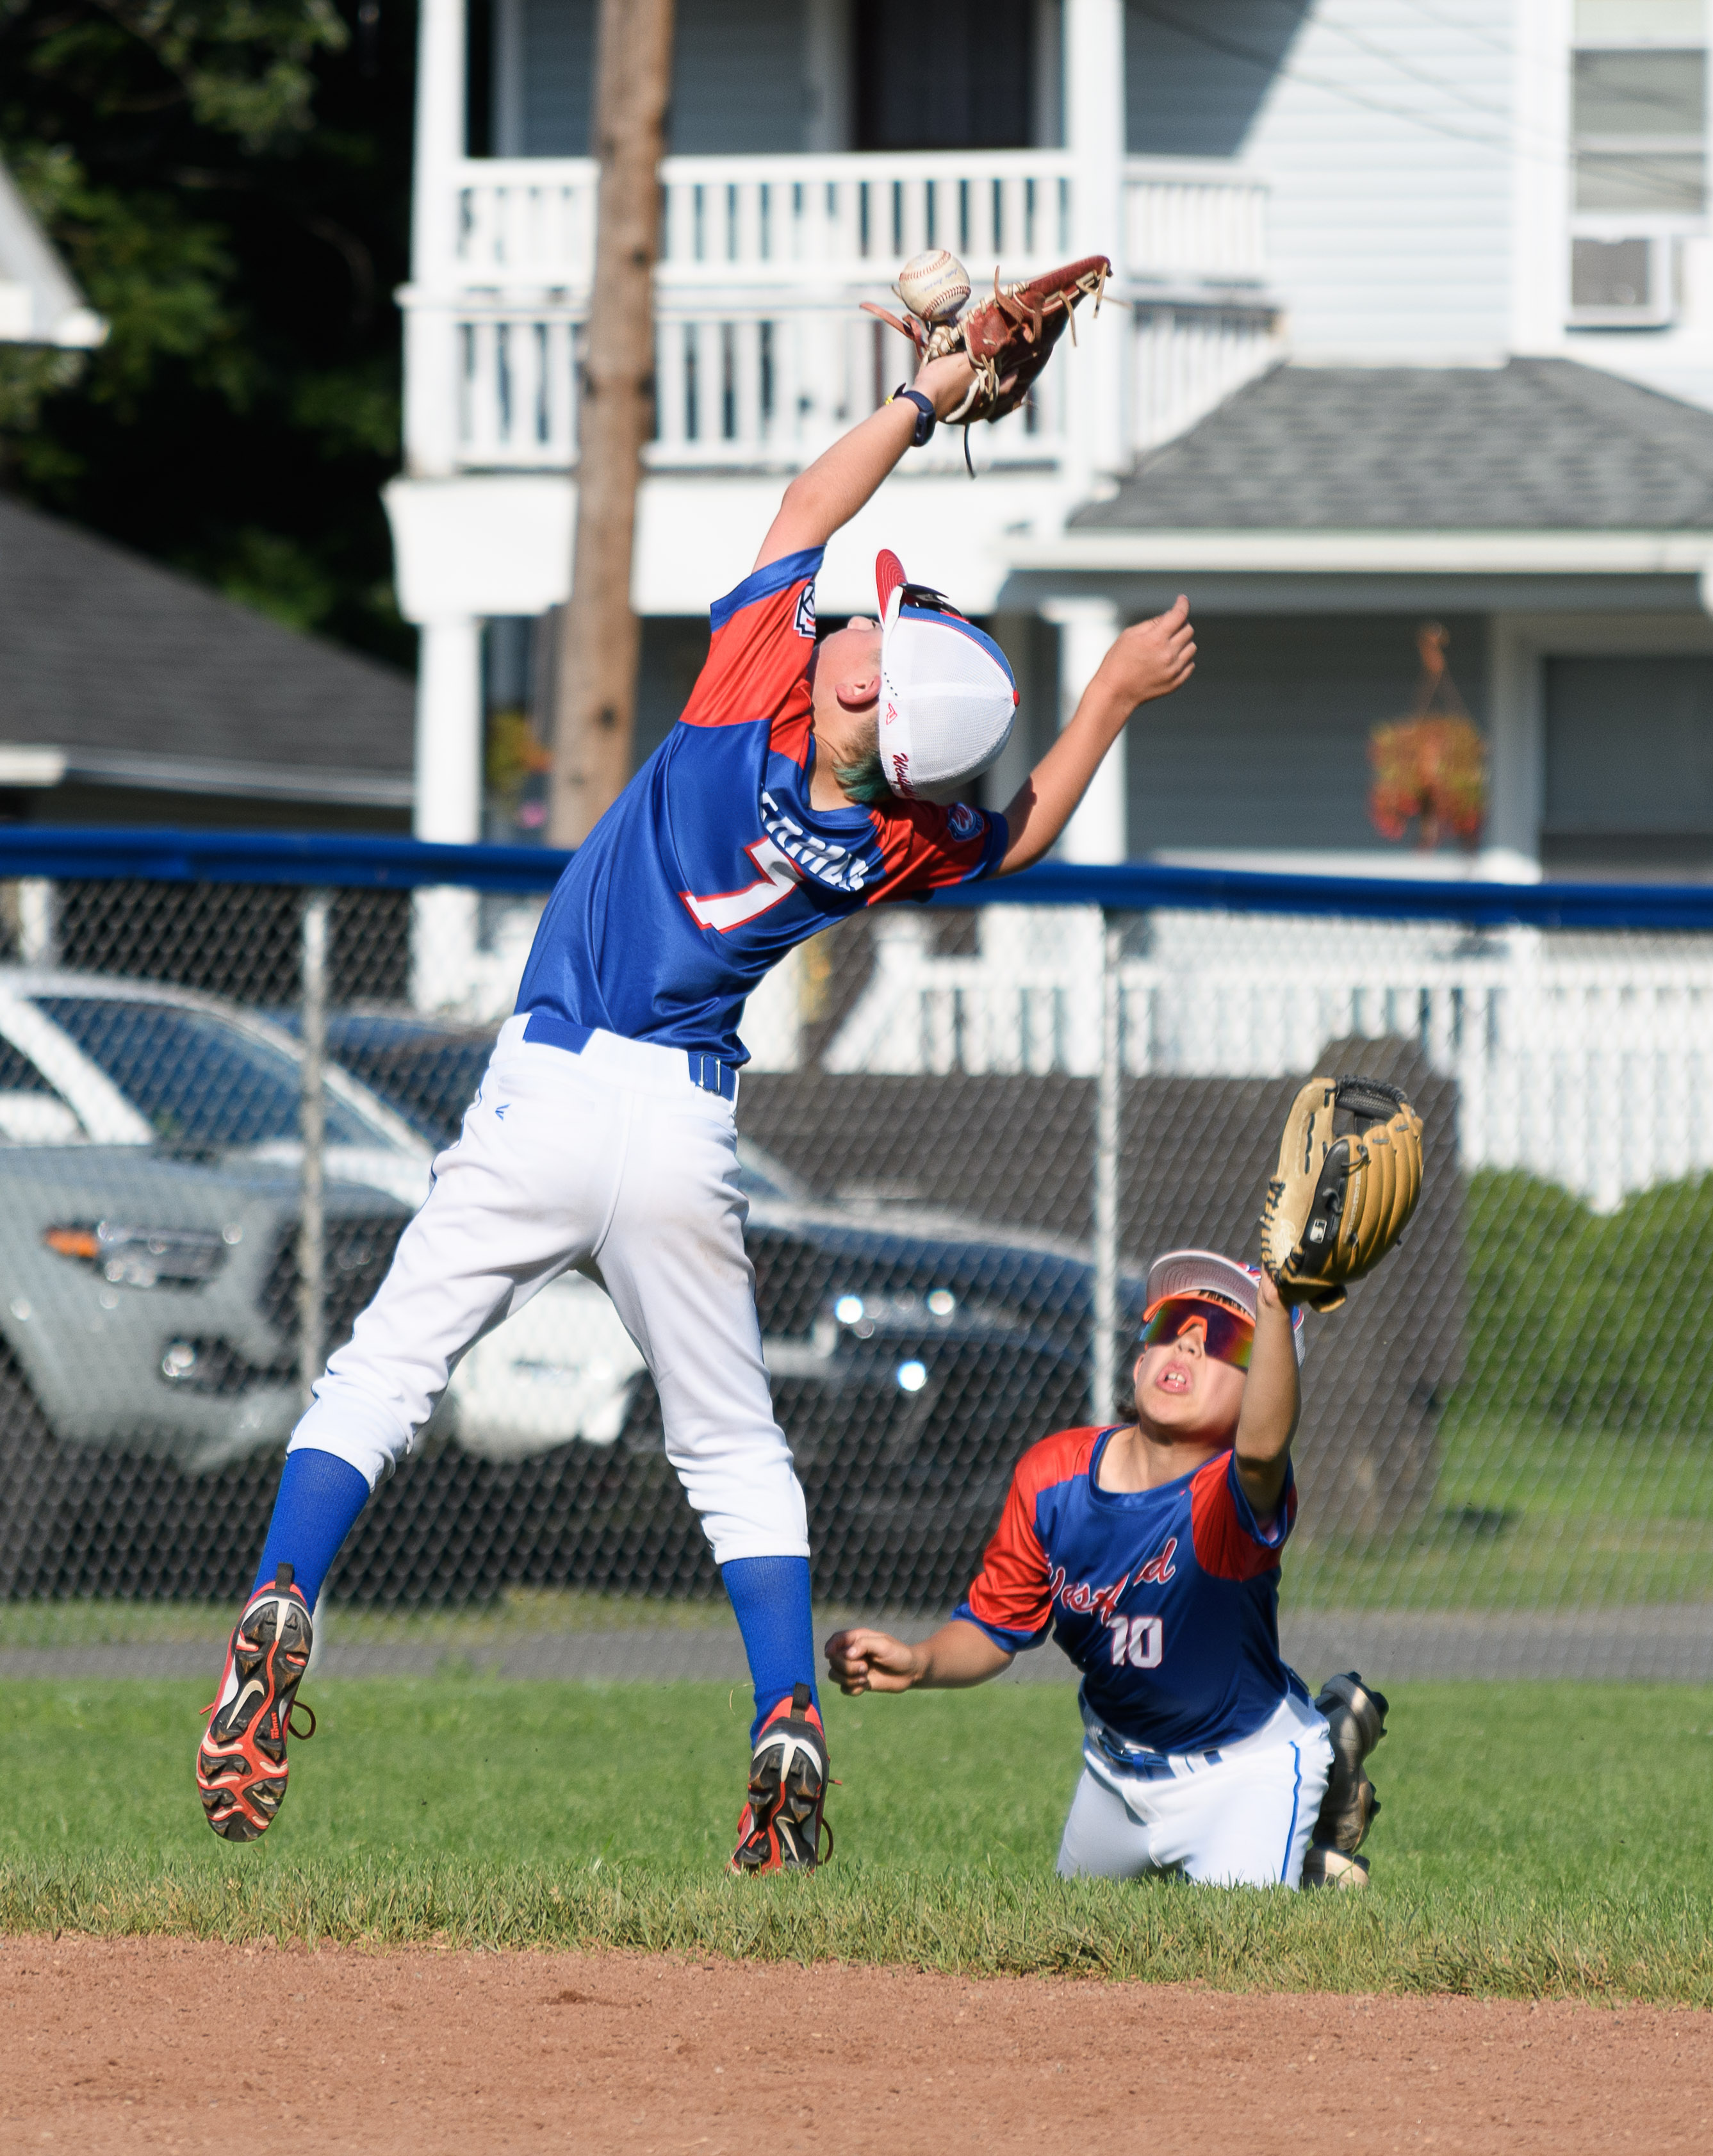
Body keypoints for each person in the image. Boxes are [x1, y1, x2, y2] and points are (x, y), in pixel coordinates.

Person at [195, 345, 1199, 1872]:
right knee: (731, 1447)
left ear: (856, 682)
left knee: (380, 1375)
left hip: (545, 1092)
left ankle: (284, 1591)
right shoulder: (899, 837)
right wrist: (1114, 687)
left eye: (873, 628)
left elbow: (808, 497)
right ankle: (783, 1709)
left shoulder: (748, 700)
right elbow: (1031, 830)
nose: (855, 625)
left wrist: (924, 401)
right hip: (677, 1132)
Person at [825, 1251, 1388, 1888]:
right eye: (1171, 1325)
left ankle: (1312, 1840)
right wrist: (921, 1660)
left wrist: (1278, 1307)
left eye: (1226, 1336)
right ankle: (1313, 1825)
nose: (1189, 1345)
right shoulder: (1053, 1477)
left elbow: (1261, 1449)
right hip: (1112, 1773)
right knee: (1068, 1950)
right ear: (1140, 1357)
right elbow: (993, 1626)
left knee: (1228, 1949)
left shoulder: (1224, 1503)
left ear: (1262, 1386)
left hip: (1244, 1769)